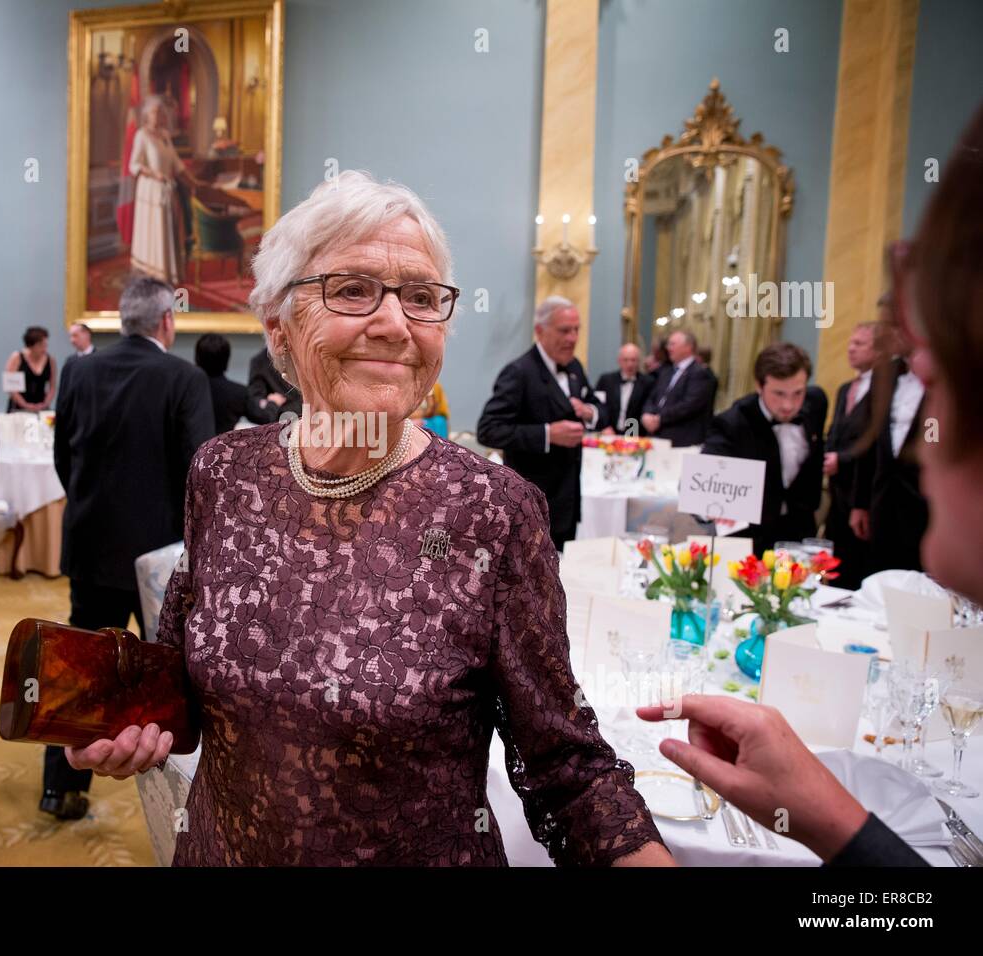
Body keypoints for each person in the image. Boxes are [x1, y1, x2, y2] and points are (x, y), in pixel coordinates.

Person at [67, 171, 673, 866]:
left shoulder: (493, 513)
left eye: (421, 297)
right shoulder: (223, 472)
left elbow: (567, 768)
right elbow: (181, 676)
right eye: (352, 290)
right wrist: (124, 719)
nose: (393, 324)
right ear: (280, 329)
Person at [639, 102, 983, 867]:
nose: (921, 423)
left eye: (947, 354)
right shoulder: (734, 421)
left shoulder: (827, 406)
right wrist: (834, 825)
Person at [45, 275, 214, 819]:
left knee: (80, 671)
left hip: (92, 543)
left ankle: (60, 788)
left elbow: (62, 455)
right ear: (167, 321)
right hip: (161, 558)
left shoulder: (79, 369)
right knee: (168, 677)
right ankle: (188, 805)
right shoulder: (183, 377)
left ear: (123, 319)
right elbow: (199, 476)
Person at [477, 295, 602, 552]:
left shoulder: (575, 367)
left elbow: (598, 406)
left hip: (568, 499)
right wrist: (547, 434)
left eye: (577, 330)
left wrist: (589, 411)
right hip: (531, 503)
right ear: (540, 331)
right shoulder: (519, 372)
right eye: (564, 330)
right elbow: (488, 430)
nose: (572, 338)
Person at [701, 342, 828, 555]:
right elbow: (704, 476)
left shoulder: (816, 403)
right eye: (778, 393)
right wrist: (712, 503)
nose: (789, 405)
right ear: (759, 386)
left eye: (798, 393)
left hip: (800, 532)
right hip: (751, 539)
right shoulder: (733, 422)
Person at [848, 322, 929, 573]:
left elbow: (936, 438)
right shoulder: (885, 373)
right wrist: (859, 503)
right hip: (881, 499)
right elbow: (869, 440)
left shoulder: (942, 376)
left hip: (923, 502)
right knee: (878, 578)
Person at [823, 319, 883, 588]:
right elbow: (835, 433)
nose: (850, 348)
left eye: (859, 344)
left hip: (865, 492)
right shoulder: (846, 388)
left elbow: (875, 442)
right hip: (837, 495)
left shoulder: (886, 389)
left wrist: (842, 461)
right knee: (835, 565)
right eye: (850, 342)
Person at [128, 96, 203, 283]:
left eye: (161, 111)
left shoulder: (165, 135)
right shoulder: (141, 135)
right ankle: (152, 274)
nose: (159, 115)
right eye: (155, 111)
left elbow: (177, 164)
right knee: (153, 231)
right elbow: (134, 165)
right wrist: (154, 174)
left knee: (165, 231)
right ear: (146, 114)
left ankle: (166, 274)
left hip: (166, 191)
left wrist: (193, 181)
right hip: (150, 191)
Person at [640, 329, 717, 446]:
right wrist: (646, 414)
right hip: (656, 435)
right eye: (668, 344)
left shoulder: (700, 374)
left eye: (672, 344)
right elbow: (652, 397)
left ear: (688, 347)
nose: (668, 348)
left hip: (682, 440)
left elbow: (689, 405)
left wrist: (659, 419)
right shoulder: (666, 371)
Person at [194, 333, 249, 435]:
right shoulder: (239, 392)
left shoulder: (188, 391)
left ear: (197, 359)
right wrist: (272, 404)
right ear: (226, 360)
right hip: (223, 449)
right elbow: (264, 417)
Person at [595, 342, 653, 436]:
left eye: (633, 360)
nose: (629, 364)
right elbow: (598, 406)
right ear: (619, 360)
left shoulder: (648, 383)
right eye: (625, 360)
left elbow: (648, 408)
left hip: (636, 437)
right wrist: (604, 426)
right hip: (608, 434)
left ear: (638, 361)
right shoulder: (606, 380)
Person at [5, 326, 56, 413]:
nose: (44, 349)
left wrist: (45, 403)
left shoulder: (50, 360)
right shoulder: (17, 358)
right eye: (40, 345)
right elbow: (11, 387)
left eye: (45, 345)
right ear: (31, 345)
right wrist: (25, 405)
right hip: (19, 407)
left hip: (41, 406)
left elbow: (52, 386)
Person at [246, 345, 300, 424]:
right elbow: (255, 399)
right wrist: (269, 403)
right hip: (280, 419)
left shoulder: (301, 354)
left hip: (308, 414)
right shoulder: (260, 361)